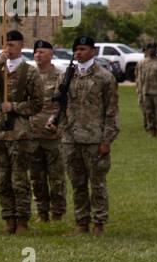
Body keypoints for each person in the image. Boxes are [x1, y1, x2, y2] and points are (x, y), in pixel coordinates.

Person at [48, 35, 119, 235]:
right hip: (70, 138)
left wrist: (107, 140)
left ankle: (99, 223)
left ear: (92, 51)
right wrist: (54, 122)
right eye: (76, 49)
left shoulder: (104, 77)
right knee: (77, 183)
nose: (78, 53)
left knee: (97, 184)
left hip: (94, 138)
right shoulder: (66, 76)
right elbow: (60, 105)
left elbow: (111, 111)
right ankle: (81, 222)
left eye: (83, 49)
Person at [0, 29, 43, 235]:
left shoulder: (30, 72)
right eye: (5, 45)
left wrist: (14, 107)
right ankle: (8, 217)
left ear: (21, 46)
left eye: (12, 45)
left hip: (19, 132)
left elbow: (37, 104)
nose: (8, 48)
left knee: (19, 179)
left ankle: (22, 220)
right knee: (1, 179)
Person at [28, 40, 68, 223]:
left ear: (51, 54)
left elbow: (64, 104)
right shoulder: (29, 75)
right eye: (36, 52)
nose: (38, 55)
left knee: (56, 177)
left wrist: (57, 122)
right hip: (32, 133)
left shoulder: (60, 76)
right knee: (36, 177)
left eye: (42, 52)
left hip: (52, 134)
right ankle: (42, 212)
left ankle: (57, 212)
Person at [136, 43, 157, 138]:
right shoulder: (142, 63)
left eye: (153, 48)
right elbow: (139, 79)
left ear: (156, 50)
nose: (151, 50)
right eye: (149, 48)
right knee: (149, 112)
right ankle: (152, 130)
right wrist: (139, 91)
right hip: (146, 91)